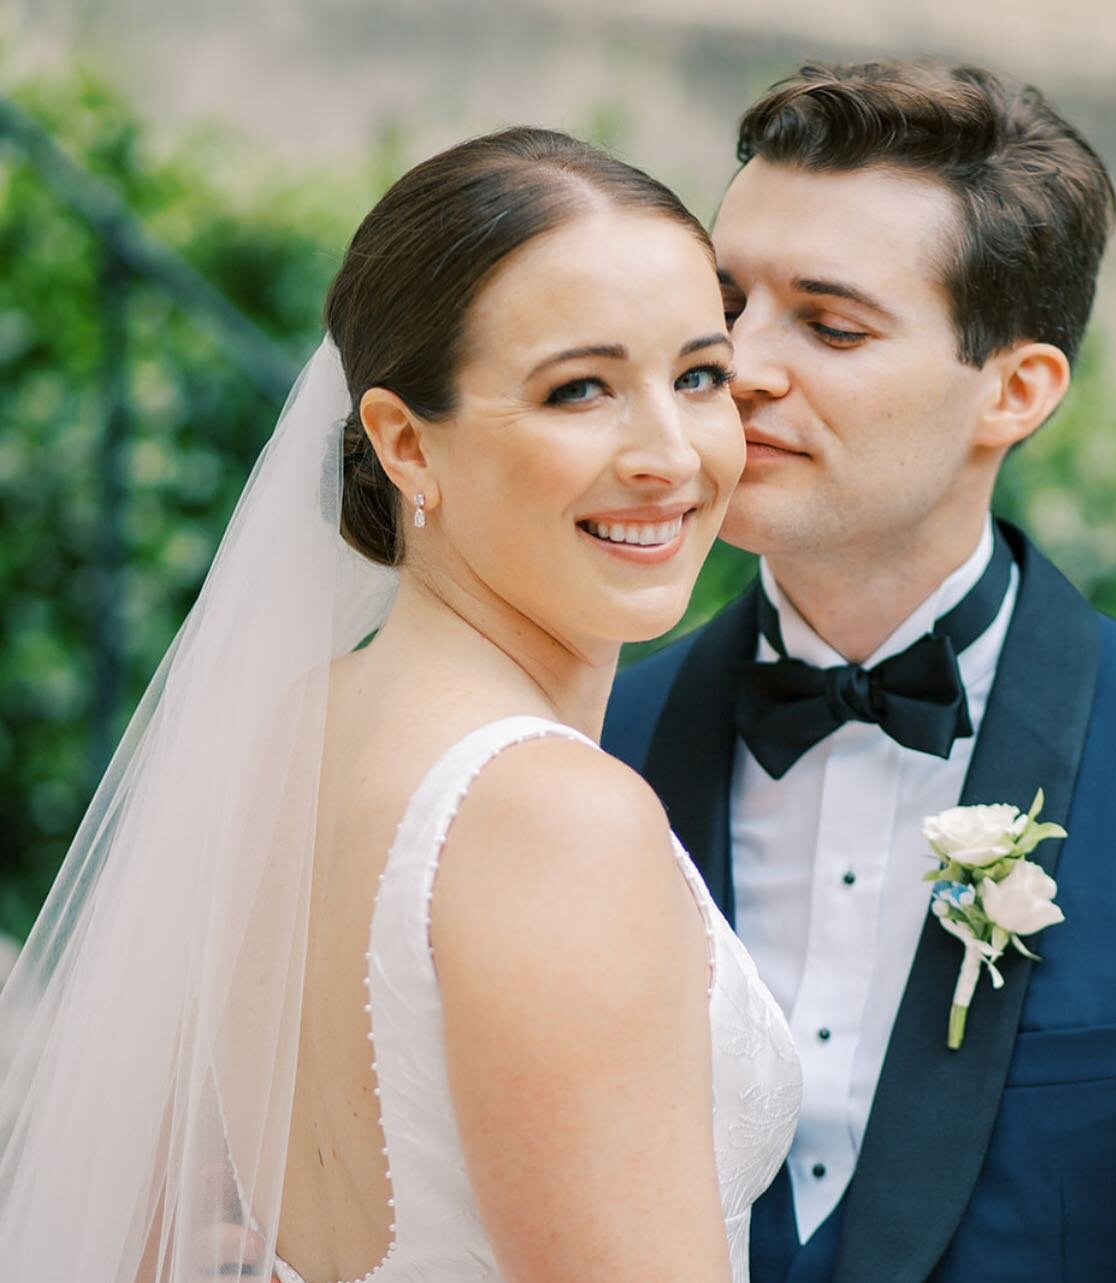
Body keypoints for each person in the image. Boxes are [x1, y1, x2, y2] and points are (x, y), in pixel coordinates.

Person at [0, 128, 801, 1283]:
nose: (670, 453)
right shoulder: (556, 822)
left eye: (697, 375)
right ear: (403, 443)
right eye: (579, 388)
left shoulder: (292, 734)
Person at [604, 60, 1116, 1283]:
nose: (737, 366)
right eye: (724, 304)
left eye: (829, 323)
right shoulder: (579, 759)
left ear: (1013, 392)